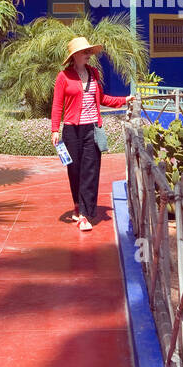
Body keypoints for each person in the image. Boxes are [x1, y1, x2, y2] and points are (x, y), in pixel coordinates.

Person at [51, 37, 133, 231]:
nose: (89, 55)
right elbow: (57, 104)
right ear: (75, 56)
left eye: (89, 52)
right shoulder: (64, 77)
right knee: (74, 170)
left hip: (92, 129)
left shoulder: (94, 74)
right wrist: (55, 129)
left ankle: (85, 215)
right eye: (85, 52)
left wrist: (124, 100)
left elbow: (102, 98)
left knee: (90, 171)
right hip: (71, 130)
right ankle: (78, 204)